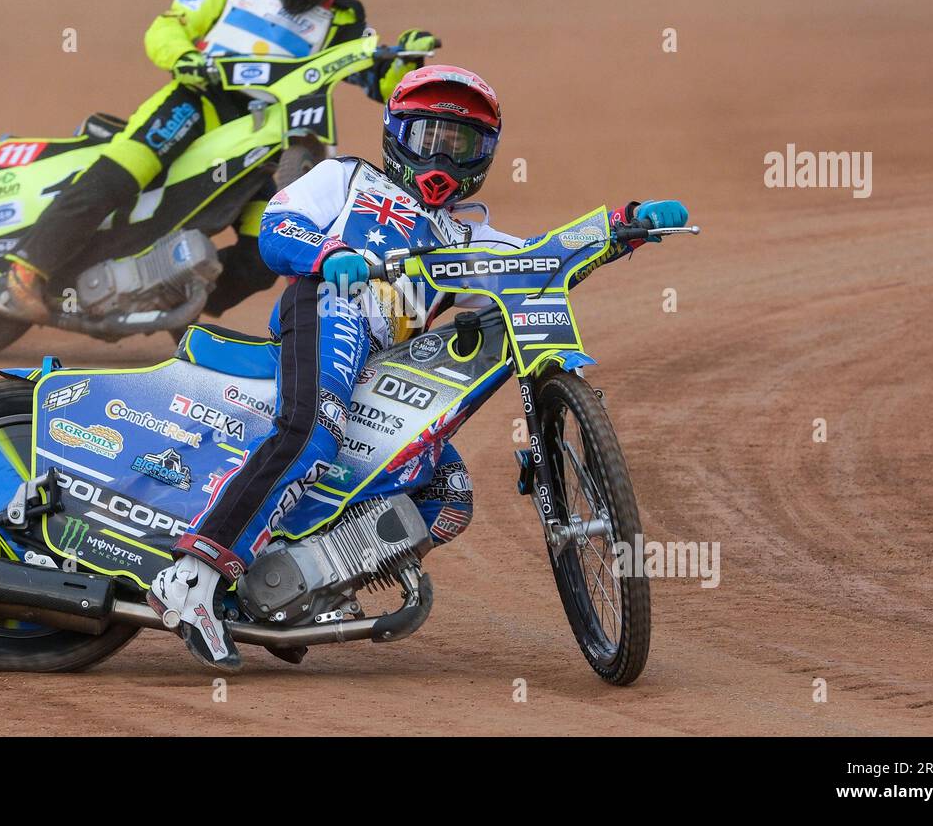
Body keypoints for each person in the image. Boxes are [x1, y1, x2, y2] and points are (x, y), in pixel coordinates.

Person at [147, 64, 691, 670]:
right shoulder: (343, 179)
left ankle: (289, 590)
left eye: (458, 145)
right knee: (310, 430)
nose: (440, 157)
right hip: (328, 307)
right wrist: (330, 254)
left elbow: (540, 260)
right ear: (394, 133)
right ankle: (193, 576)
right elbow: (277, 230)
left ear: (483, 156)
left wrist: (623, 226)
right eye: (426, 137)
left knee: (445, 492)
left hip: (379, 365)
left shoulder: (466, 236)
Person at [0, 0, 436, 323]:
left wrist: (407, 63)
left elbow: (377, 81)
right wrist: (185, 59)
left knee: (266, 247)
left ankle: (171, 304)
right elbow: (168, 26)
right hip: (197, 102)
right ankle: (27, 269)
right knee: (122, 175)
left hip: (265, 146)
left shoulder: (344, 21)